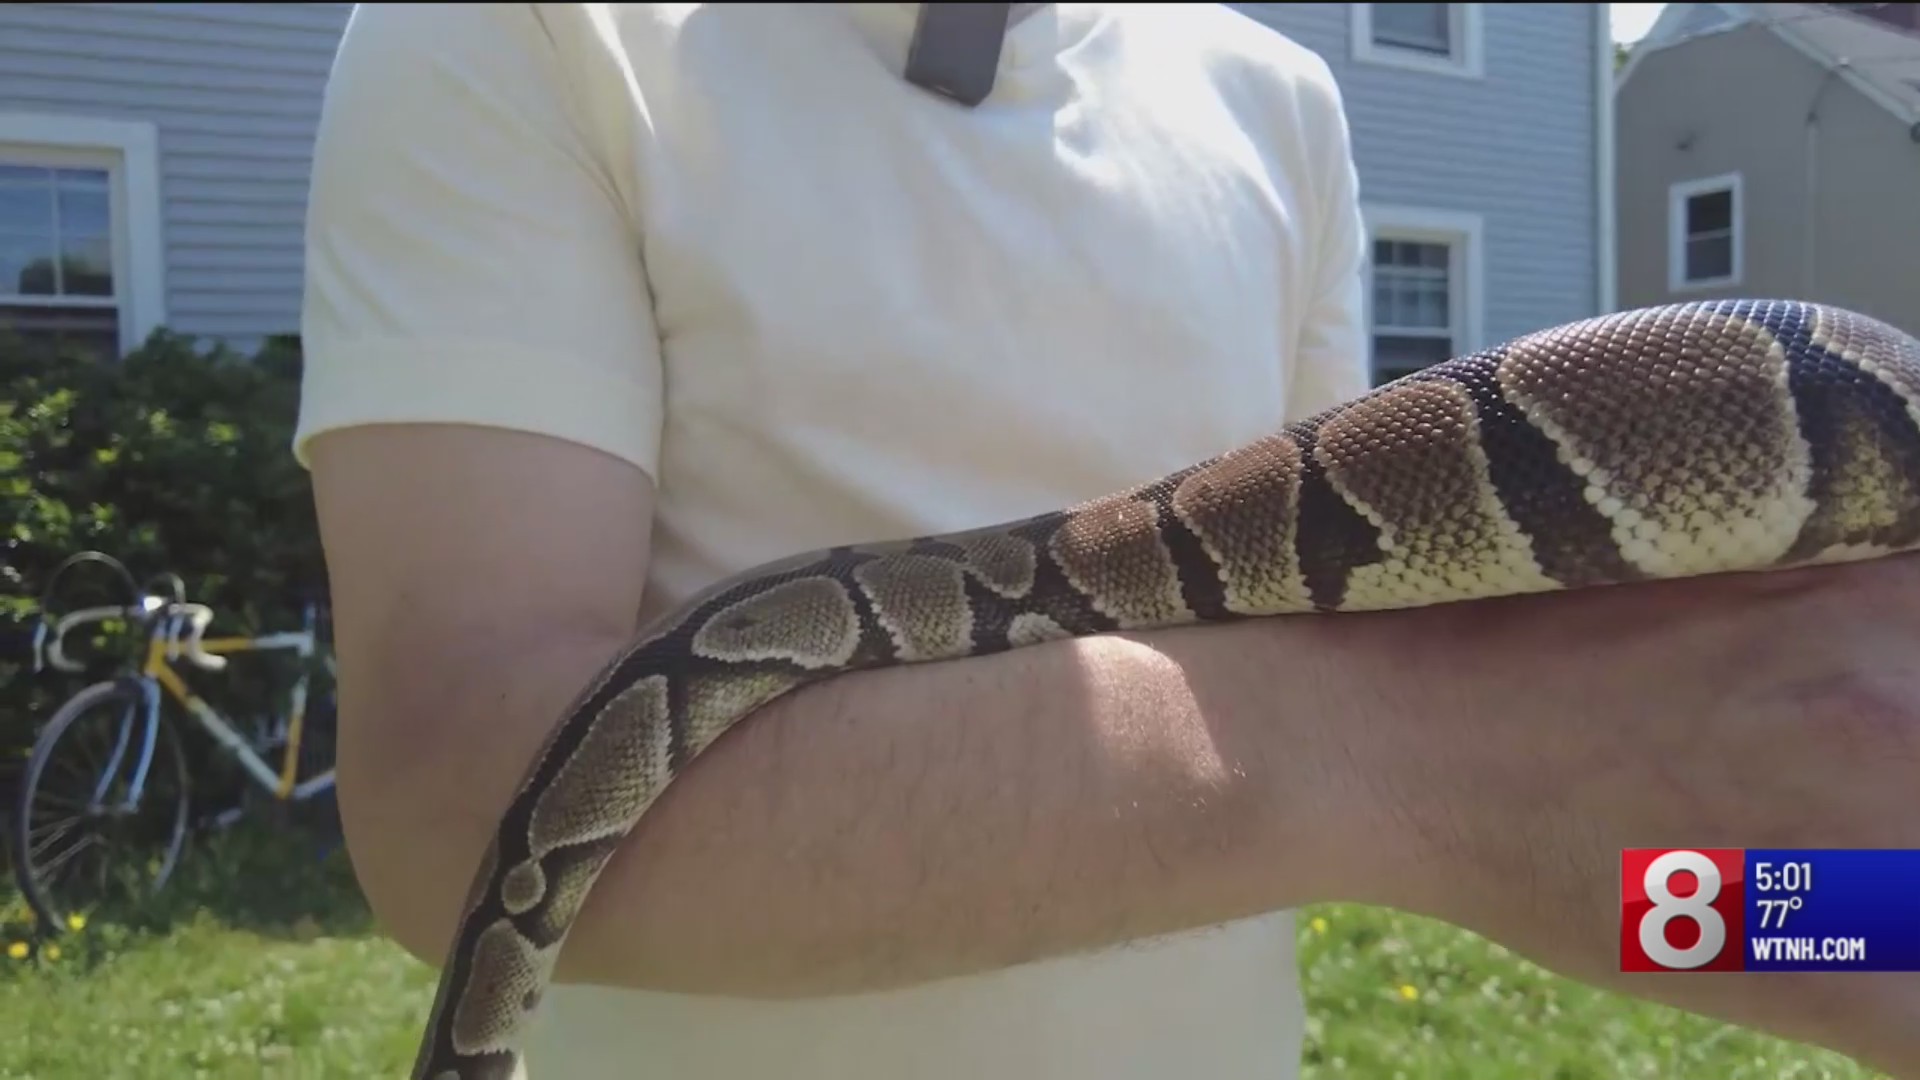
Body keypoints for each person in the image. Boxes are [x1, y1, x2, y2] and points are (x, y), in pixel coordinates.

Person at [295, 4, 1920, 1079]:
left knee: (1847, 893)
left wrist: (1721, 870)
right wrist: (1468, 762)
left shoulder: (1270, 97)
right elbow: (460, 802)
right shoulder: (519, 28)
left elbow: (1378, 652)